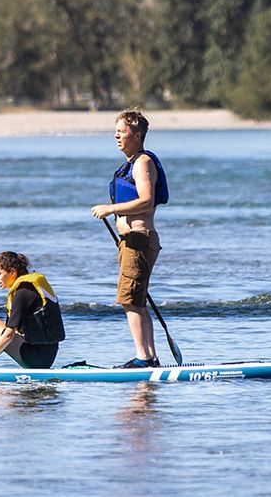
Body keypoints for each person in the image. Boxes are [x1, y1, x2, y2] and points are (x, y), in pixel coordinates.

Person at [90, 109, 169, 368]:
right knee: (136, 300)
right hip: (132, 242)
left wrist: (110, 209)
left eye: (122, 131)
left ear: (137, 135)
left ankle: (144, 358)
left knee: (129, 301)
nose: (116, 136)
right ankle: (149, 357)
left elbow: (146, 201)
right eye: (116, 131)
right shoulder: (132, 162)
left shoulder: (143, 162)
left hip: (139, 240)